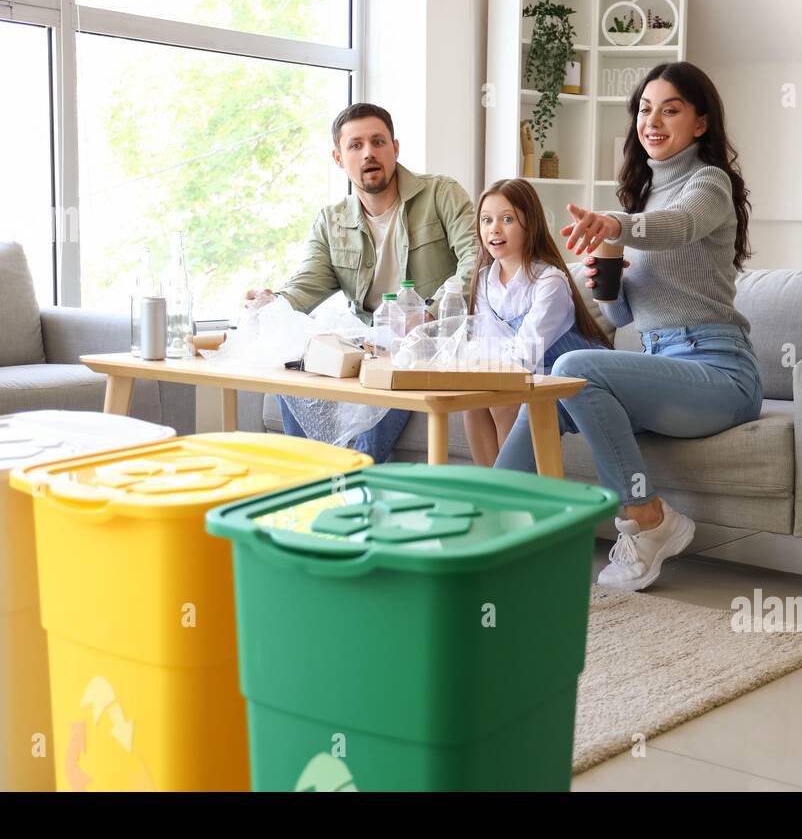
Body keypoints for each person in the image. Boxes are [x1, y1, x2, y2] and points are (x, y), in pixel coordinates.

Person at [494, 62, 763, 592]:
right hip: (663, 364)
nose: (653, 121)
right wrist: (608, 281)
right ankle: (491, 522)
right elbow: (620, 317)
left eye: (670, 109)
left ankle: (647, 517)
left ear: (700, 123)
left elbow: (679, 225)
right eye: (644, 109)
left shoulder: (709, 184)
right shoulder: (640, 200)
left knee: (571, 366)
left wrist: (616, 226)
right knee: (550, 391)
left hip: (720, 372)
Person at [246, 102, 480, 462]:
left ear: (395, 148)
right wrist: (270, 301)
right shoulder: (331, 221)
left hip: (430, 345)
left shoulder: (441, 194)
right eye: (356, 146)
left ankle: (356, 473)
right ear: (339, 158)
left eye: (378, 142)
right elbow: (305, 286)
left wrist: (431, 315)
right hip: (370, 341)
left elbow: (476, 258)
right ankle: (307, 474)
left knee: (389, 378)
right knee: (290, 364)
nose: (369, 153)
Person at [462, 179, 611, 467]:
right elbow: (483, 347)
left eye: (507, 219)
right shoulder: (483, 280)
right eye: (486, 220)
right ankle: (491, 497)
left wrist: (488, 371)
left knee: (503, 400)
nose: (494, 229)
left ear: (530, 224)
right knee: (472, 404)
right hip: (525, 375)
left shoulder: (549, 282)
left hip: (567, 380)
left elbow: (522, 357)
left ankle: (513, 499)